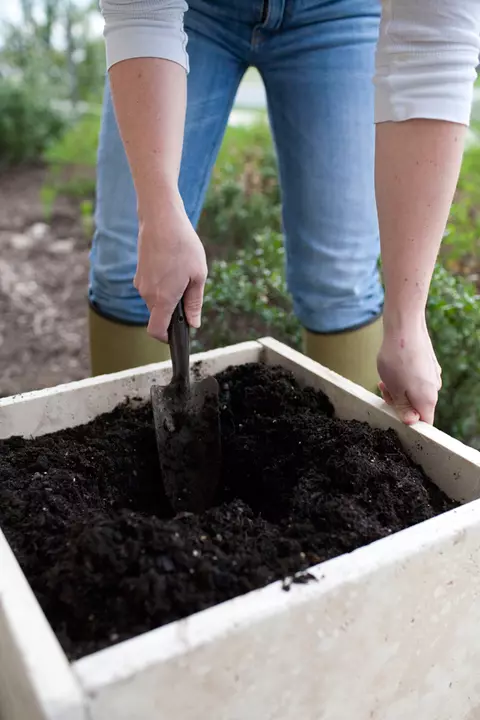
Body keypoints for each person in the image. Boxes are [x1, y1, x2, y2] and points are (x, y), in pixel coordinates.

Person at [90, 0, 480, 426]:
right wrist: (158, 206)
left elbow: (432, 53)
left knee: (341, 285)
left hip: (339, 12)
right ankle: (129, 453)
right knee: (128, 263)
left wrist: (407, 321)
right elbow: (142, 11)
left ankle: (343, 473)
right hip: (191, 9)